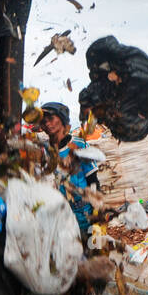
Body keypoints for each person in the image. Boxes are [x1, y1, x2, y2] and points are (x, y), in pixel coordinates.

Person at [40, 101, 100, 235]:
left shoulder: (78, 145)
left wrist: (97, 213)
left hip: (84, 215)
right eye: (43, 121)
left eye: (50, 119)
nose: (47, 124)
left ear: (62, 120)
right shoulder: (43, 152)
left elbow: (93, 180)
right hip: (59, 221)